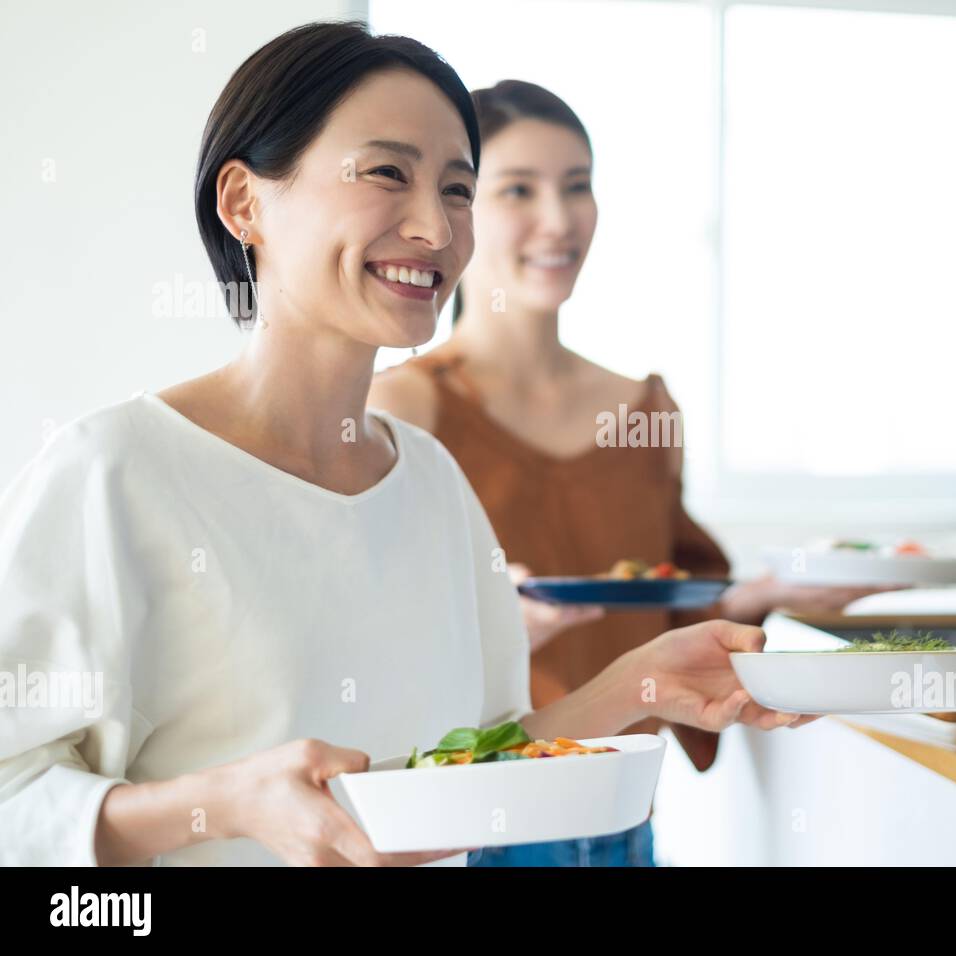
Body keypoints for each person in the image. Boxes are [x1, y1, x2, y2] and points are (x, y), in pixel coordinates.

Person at [0, 22, 812, 867]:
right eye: (388, 172)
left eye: (458, 189)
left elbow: (471, 767)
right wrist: (222, 805)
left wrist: (639, 684)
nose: (435, 228)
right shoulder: (112, 473)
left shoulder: (428, 479)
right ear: (244, 202)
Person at [368, 80, 886, 867]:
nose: (559, 217)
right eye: (517, 189)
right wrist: (496, 627)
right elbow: (371, 646)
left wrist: (764, 596)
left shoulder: (644, 408)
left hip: (624, 819)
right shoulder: (405, 406)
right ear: (458, 212)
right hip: (479, 825)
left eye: (579, 185)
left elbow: (660, 619)